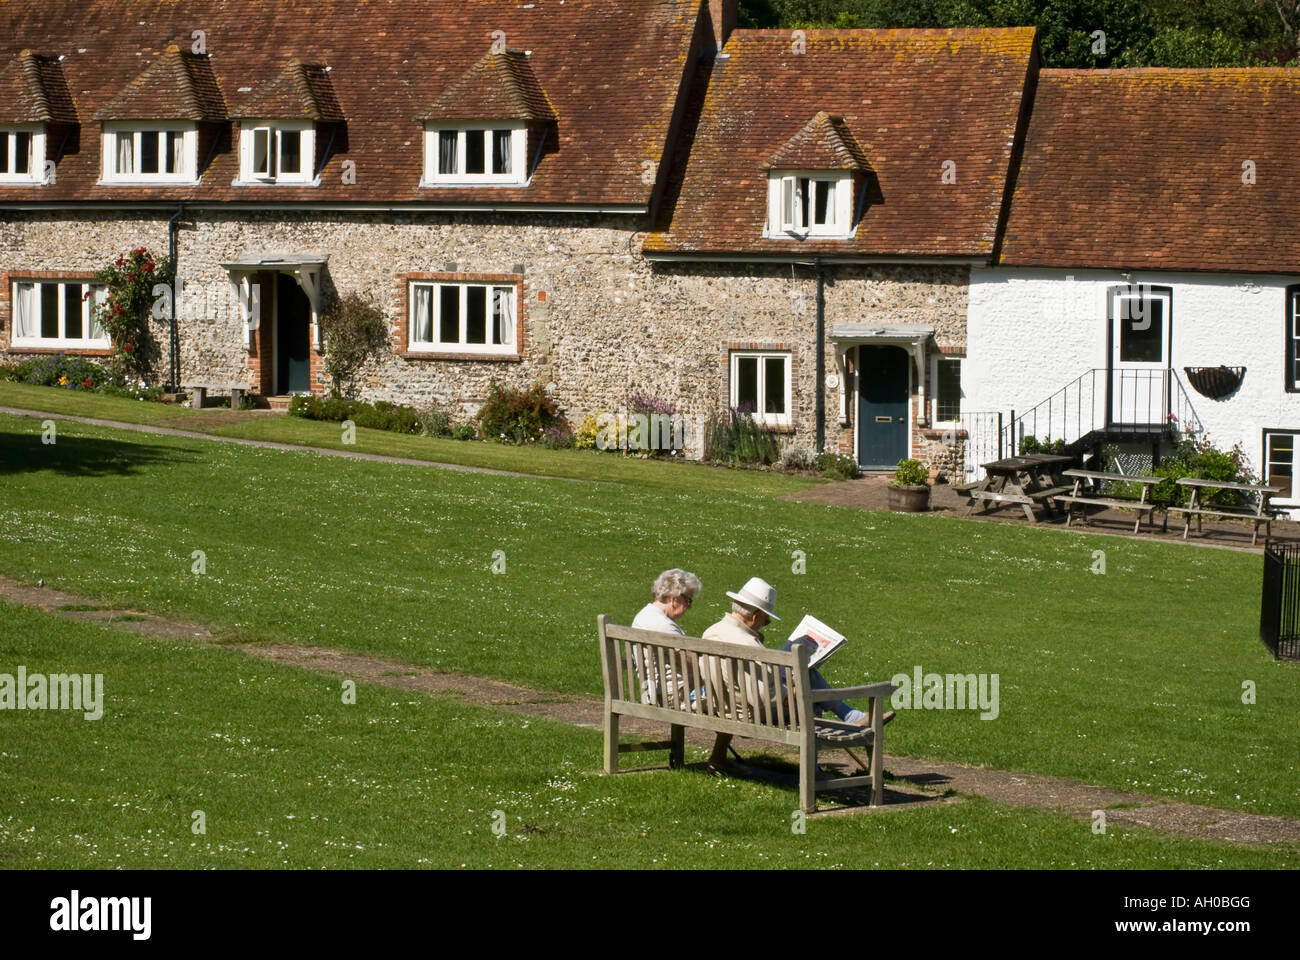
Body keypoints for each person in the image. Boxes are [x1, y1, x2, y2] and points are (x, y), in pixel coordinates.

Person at [701, 577, 892, 769]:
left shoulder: (712, 632)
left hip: (721, 705)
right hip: (746, 714)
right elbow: (765, 696)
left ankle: (851, 716)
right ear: (755, 615)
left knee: (806, 675)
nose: (765, 624)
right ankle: (814, 772)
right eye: (766, 620)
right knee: (810, 701)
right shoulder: (747, 644)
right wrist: (793, 690)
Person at [630, 568, 701, 704]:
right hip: (673, 694)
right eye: (688, 601)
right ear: (675, 599)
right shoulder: (664, 626)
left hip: (651, 692)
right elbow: (690, 663)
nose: (689, 607)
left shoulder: (643, 616)